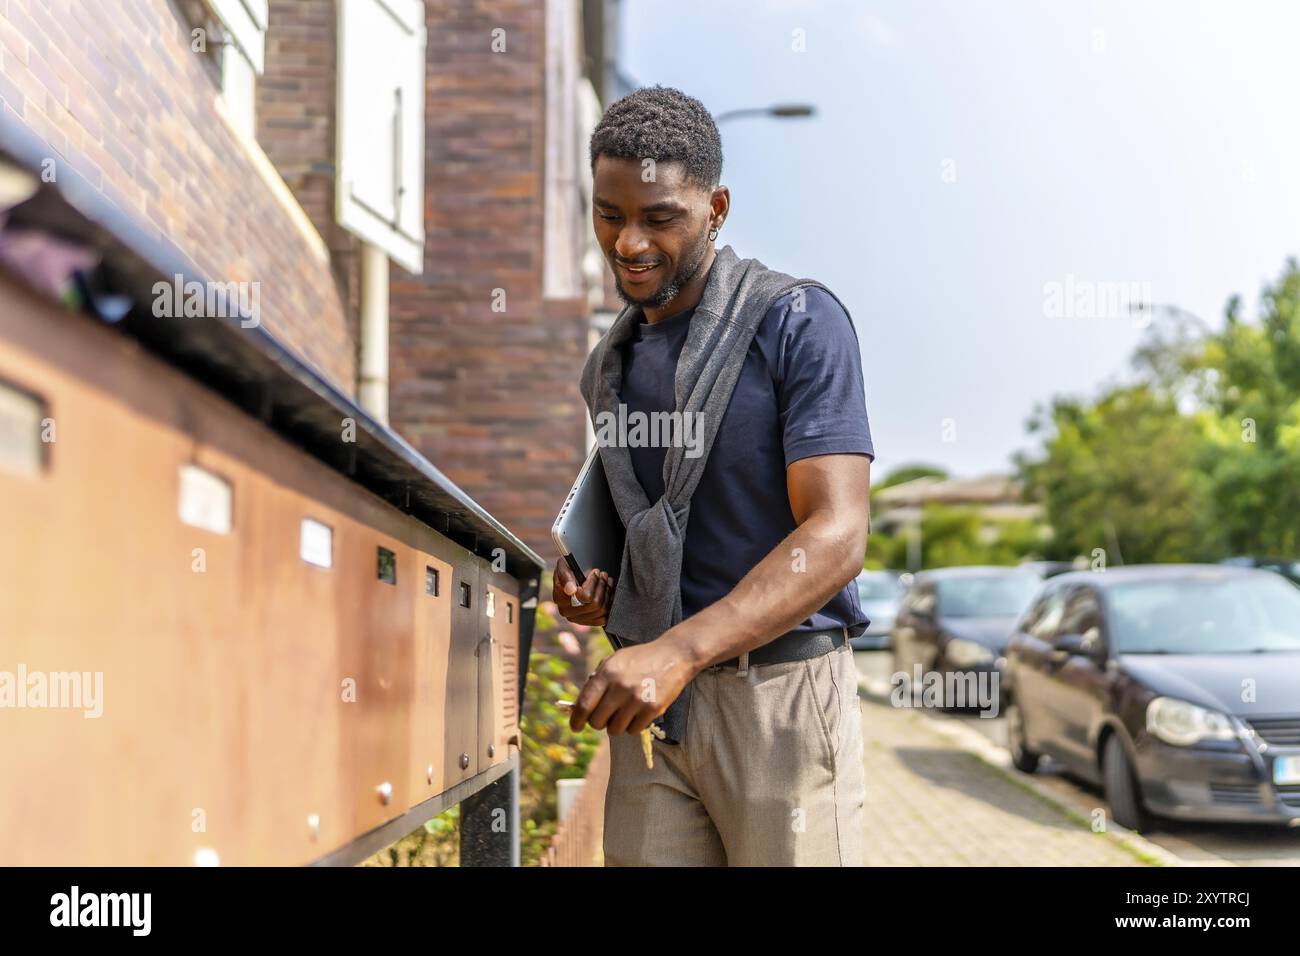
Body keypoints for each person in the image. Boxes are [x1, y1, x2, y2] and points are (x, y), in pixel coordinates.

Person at [555, 86, 874, 866]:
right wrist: (599, 587)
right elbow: (645, 520)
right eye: (608, 213)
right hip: (653, 724)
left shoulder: (796, 321)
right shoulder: (611, 366)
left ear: (716, 207)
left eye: (659, 217)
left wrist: (680, 651)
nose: (629, 241)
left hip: (780, 705)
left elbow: (835, 535)